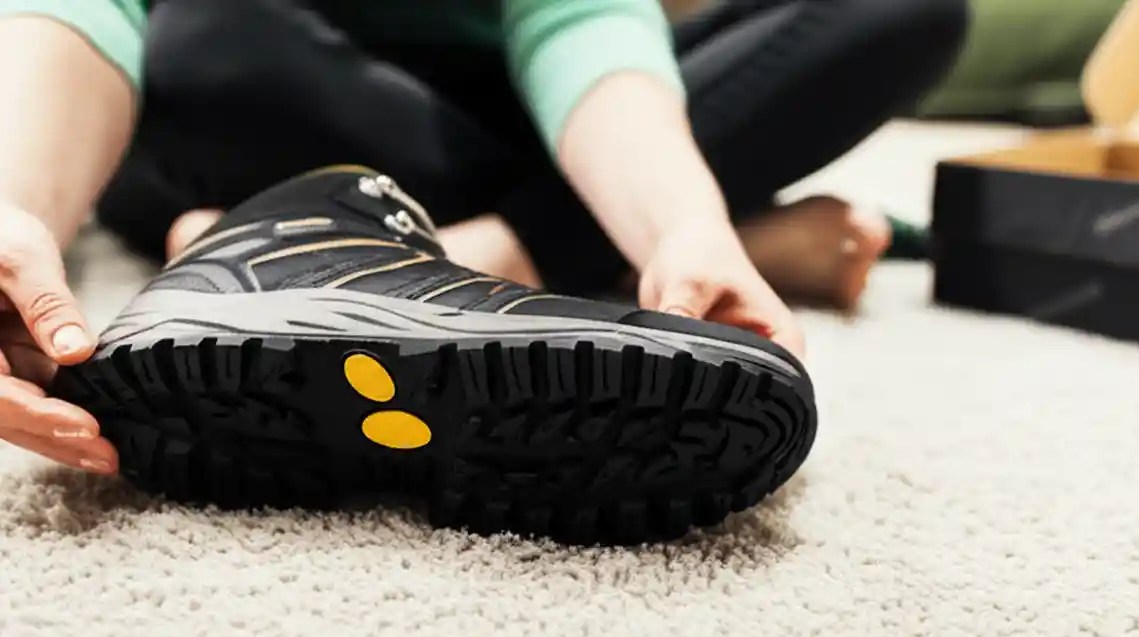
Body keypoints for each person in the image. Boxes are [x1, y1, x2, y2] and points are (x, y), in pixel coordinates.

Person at [0, 0, 967, 475]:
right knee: (204, 50)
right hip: (272, 93)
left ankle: (445, 250)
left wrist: (682, 220)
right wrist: (16, 213)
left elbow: (583, 23)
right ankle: (369, 232)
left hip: (509, 111)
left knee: (897, 8)